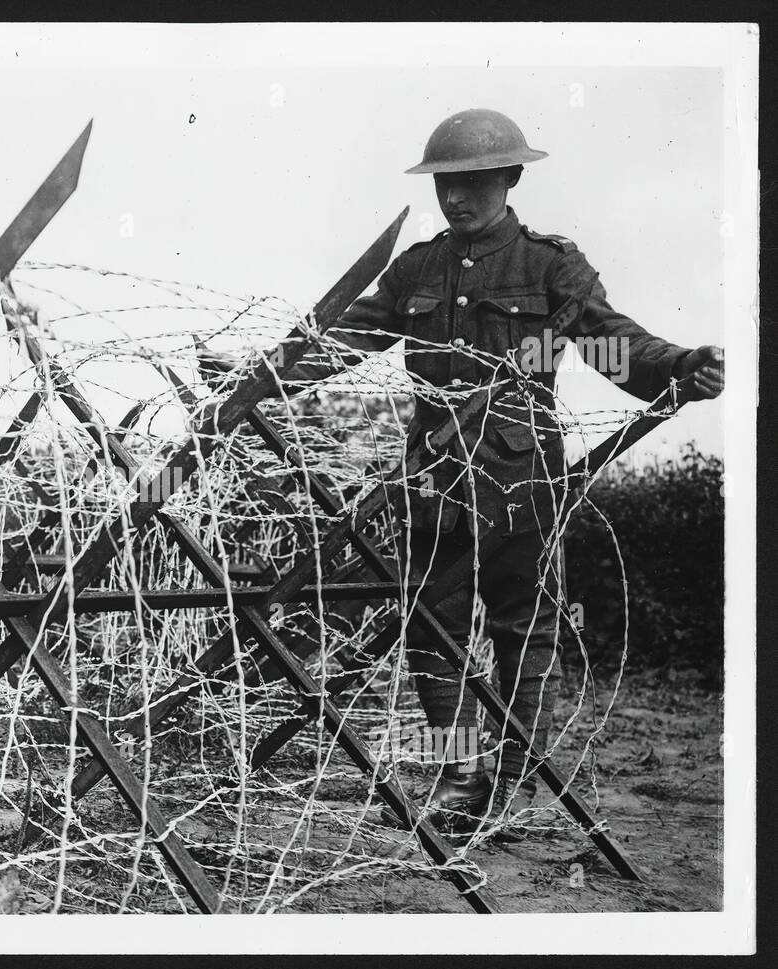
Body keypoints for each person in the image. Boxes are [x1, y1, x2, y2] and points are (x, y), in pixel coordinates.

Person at [215, 109, 725, 835]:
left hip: (522, 475)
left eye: (474, 182)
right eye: (447, 183)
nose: (457, 198)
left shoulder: (551, 266)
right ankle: (462, 774)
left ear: (511, 178)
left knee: (525, 625)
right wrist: (262, 375)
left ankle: (521, 775)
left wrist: (677, 367)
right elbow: (347, 338)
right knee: (431, 626)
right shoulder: (417, 268)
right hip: (433, 475)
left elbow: (609, 346)